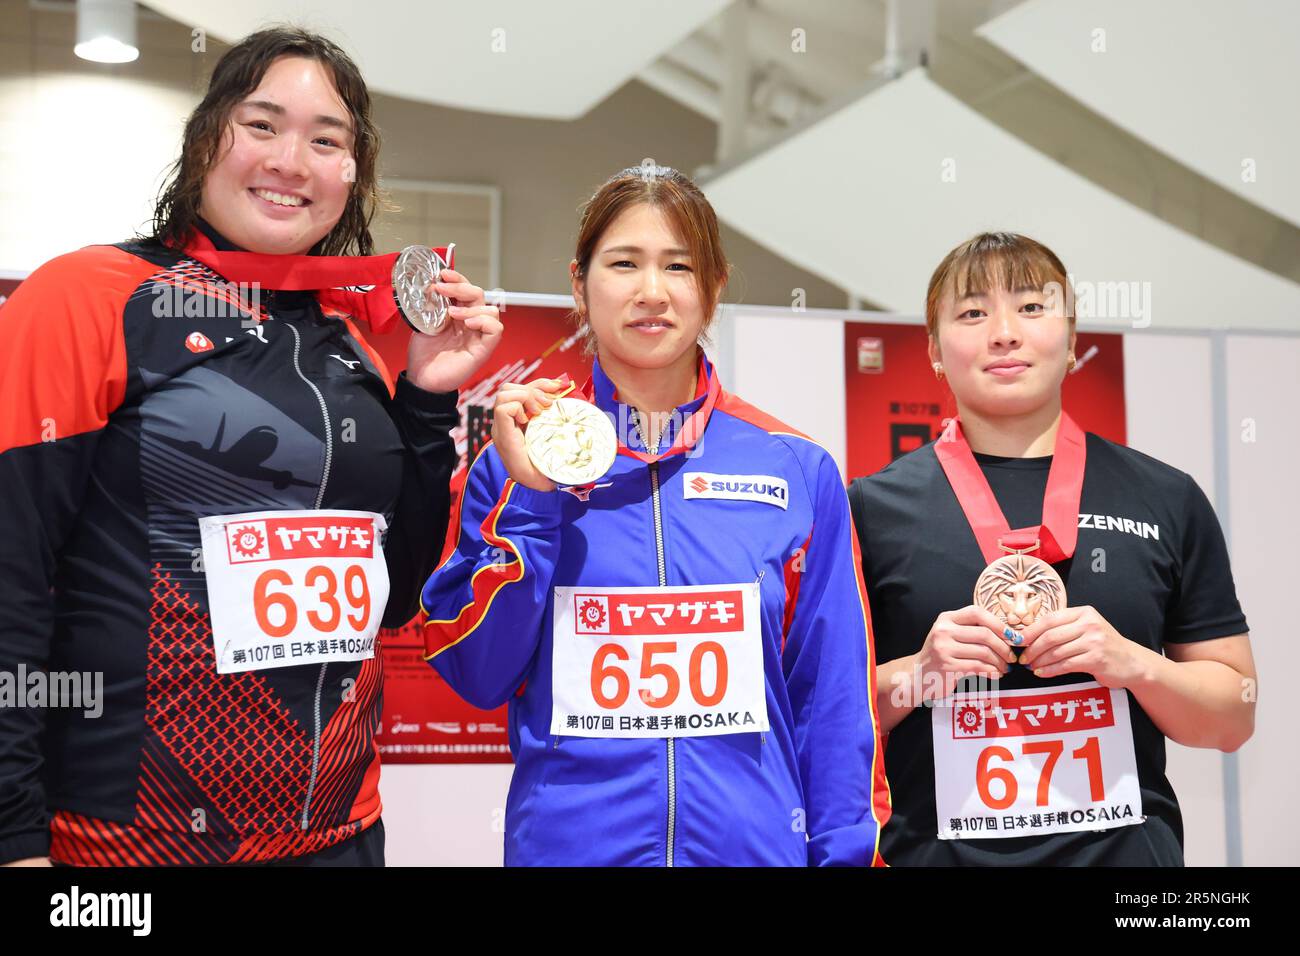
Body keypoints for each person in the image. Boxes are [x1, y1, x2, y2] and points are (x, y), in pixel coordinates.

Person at [0, 28, 501, 867]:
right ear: (205, 140)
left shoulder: (343, 337)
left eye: (327, 140)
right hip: (126, 848)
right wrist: (13, 836)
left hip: (339, 836)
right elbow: (9, 577)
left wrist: (424, 398)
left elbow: (392, 599)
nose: (292, 161)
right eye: (261, 124)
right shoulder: (86, 297)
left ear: (353, 173)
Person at [420, 165, 890, 866]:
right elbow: (475, 671)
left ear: (715, 288)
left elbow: (832, 699)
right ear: (579, 285)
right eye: (624, 264)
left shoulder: (795, 467)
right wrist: (536, 499)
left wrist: (845, 858)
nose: (651, 292)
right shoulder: (514, 465)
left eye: (679, 266)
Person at [848, 232, 1255, 866]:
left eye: (1033, 308)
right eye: (973, 312)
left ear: (1071, 340)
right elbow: (820, 722)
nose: (1004, 333)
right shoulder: (870, 510)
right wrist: (918, 674)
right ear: (933, 350)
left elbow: (1234, 718)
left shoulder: (1165, 497)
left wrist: (1132, 664)